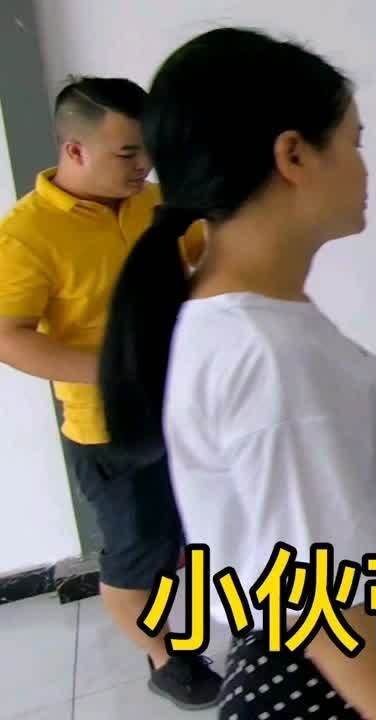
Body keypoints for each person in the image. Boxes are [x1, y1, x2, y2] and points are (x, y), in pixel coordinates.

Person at [96, 28, 376, 720]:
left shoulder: (233, 320)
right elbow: (322, 610)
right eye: (353, 142)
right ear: (293, 155)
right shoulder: (267, 355)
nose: (364, 169)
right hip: (338, 684)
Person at [0, 76, 220, 709]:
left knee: (197, 533)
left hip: (189, 409)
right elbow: (9, 336)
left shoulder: (154, 203)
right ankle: (165, 657)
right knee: (138, 556)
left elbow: (208, 256)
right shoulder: (27, 235)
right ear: (75, 150)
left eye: (148, 149)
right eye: (128, 152)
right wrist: (119, 370)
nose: (143, 164)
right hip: (112, 432)